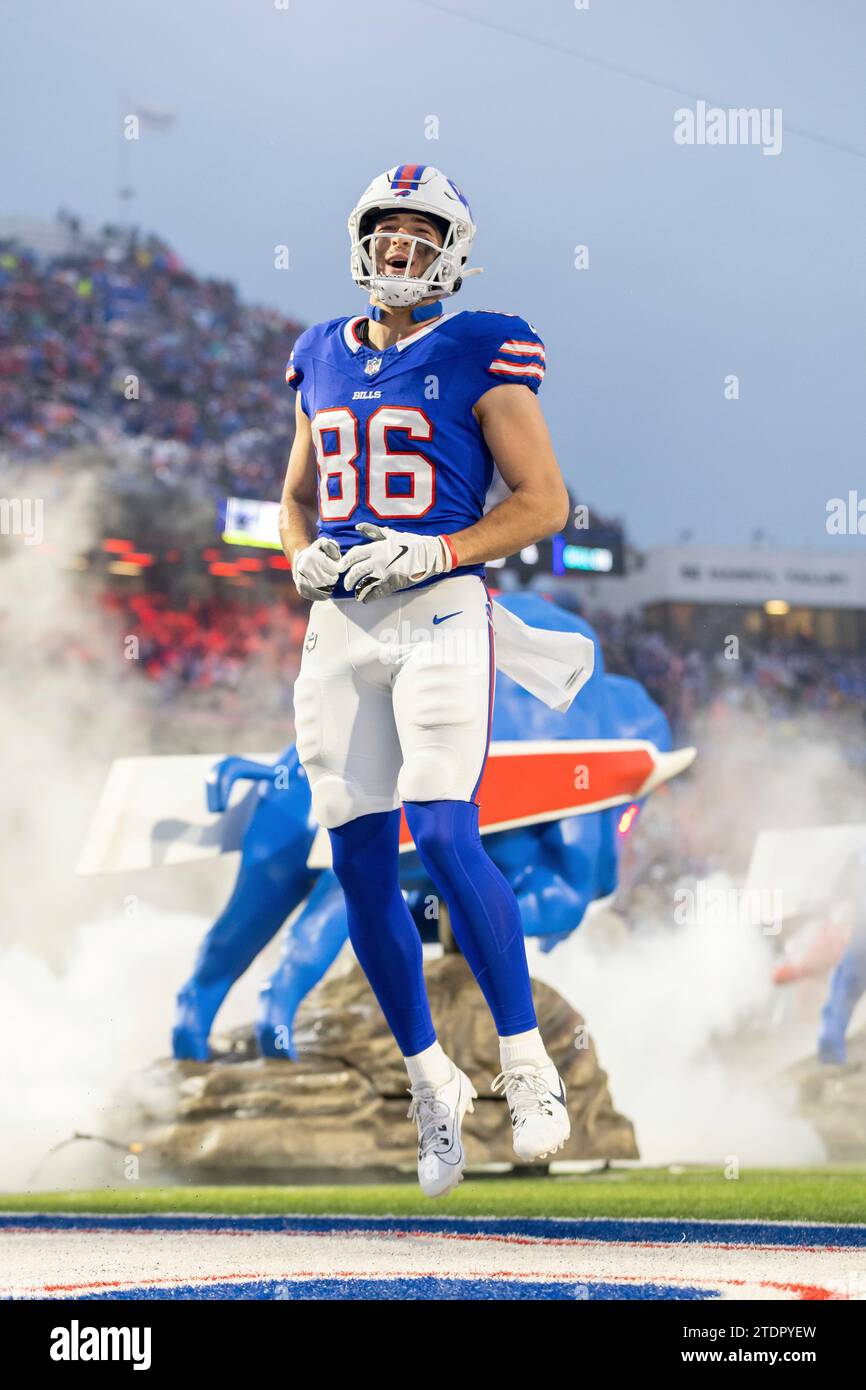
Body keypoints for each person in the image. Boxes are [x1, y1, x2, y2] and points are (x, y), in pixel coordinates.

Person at [279, 164, 572, 1196]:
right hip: (342, 625)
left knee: (444, 827)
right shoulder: (318, 350)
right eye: (385, 228)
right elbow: (296, 498)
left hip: (439, 610)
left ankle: (526, 1066)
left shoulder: (478, 343)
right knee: (356, 862)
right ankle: (427, 1083)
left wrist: (439, 552)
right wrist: (299, 554)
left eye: (419, 230)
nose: (399, 246)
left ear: (450, 247)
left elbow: (541, 503)